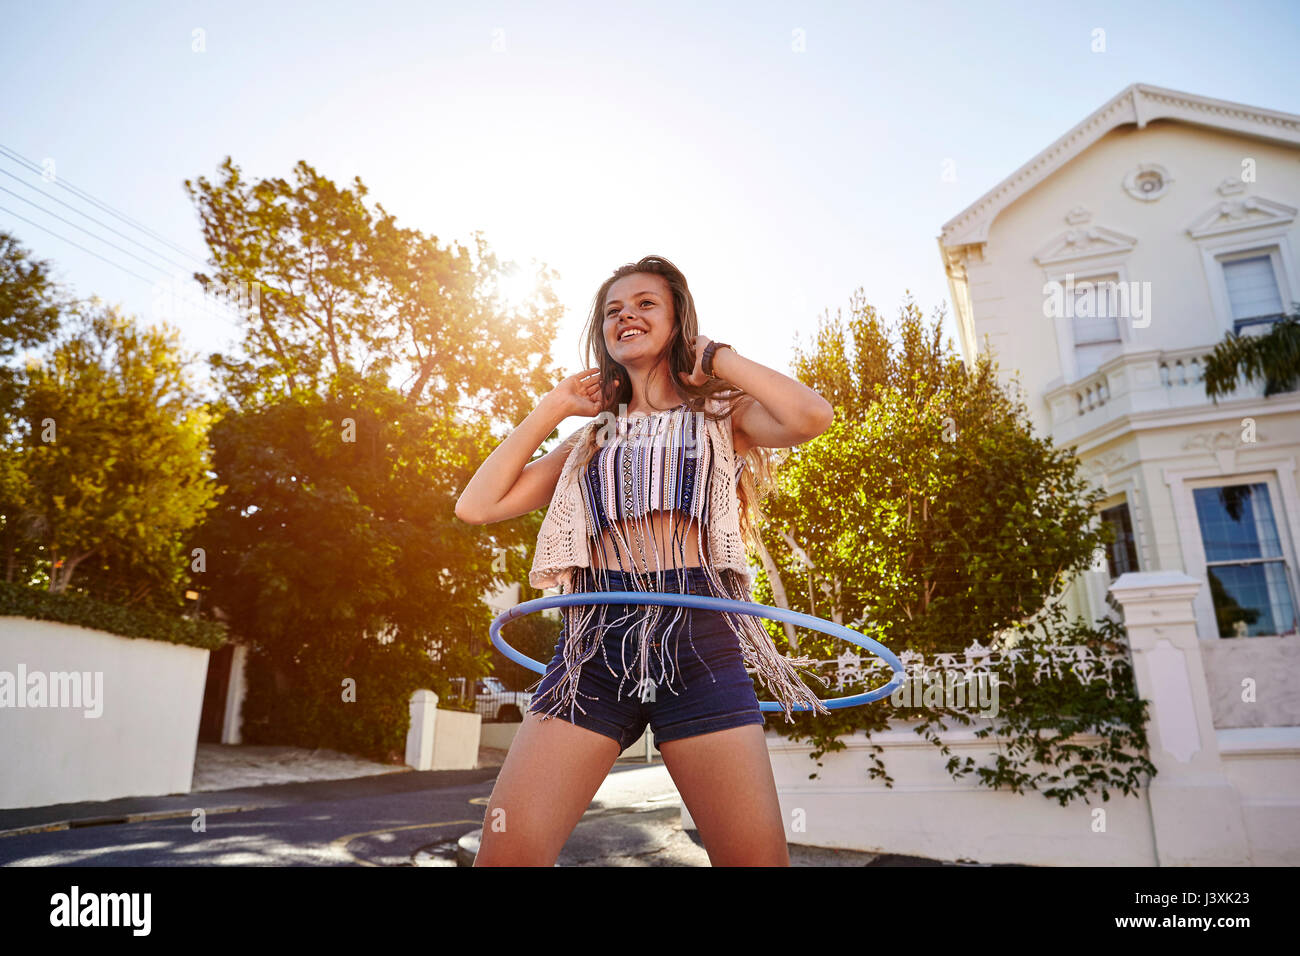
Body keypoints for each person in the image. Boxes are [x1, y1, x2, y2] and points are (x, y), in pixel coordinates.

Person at [455, 254, 834, 866]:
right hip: (594, 642)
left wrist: (715, 359)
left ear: (677, 321)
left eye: (645, 304)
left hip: (699, 638)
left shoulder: (719, 413)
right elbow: (477, 506)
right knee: (505, 857)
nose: (626, 315)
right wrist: (553, 408)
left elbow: (812, 416)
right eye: (612, 310)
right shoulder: (588, 440)